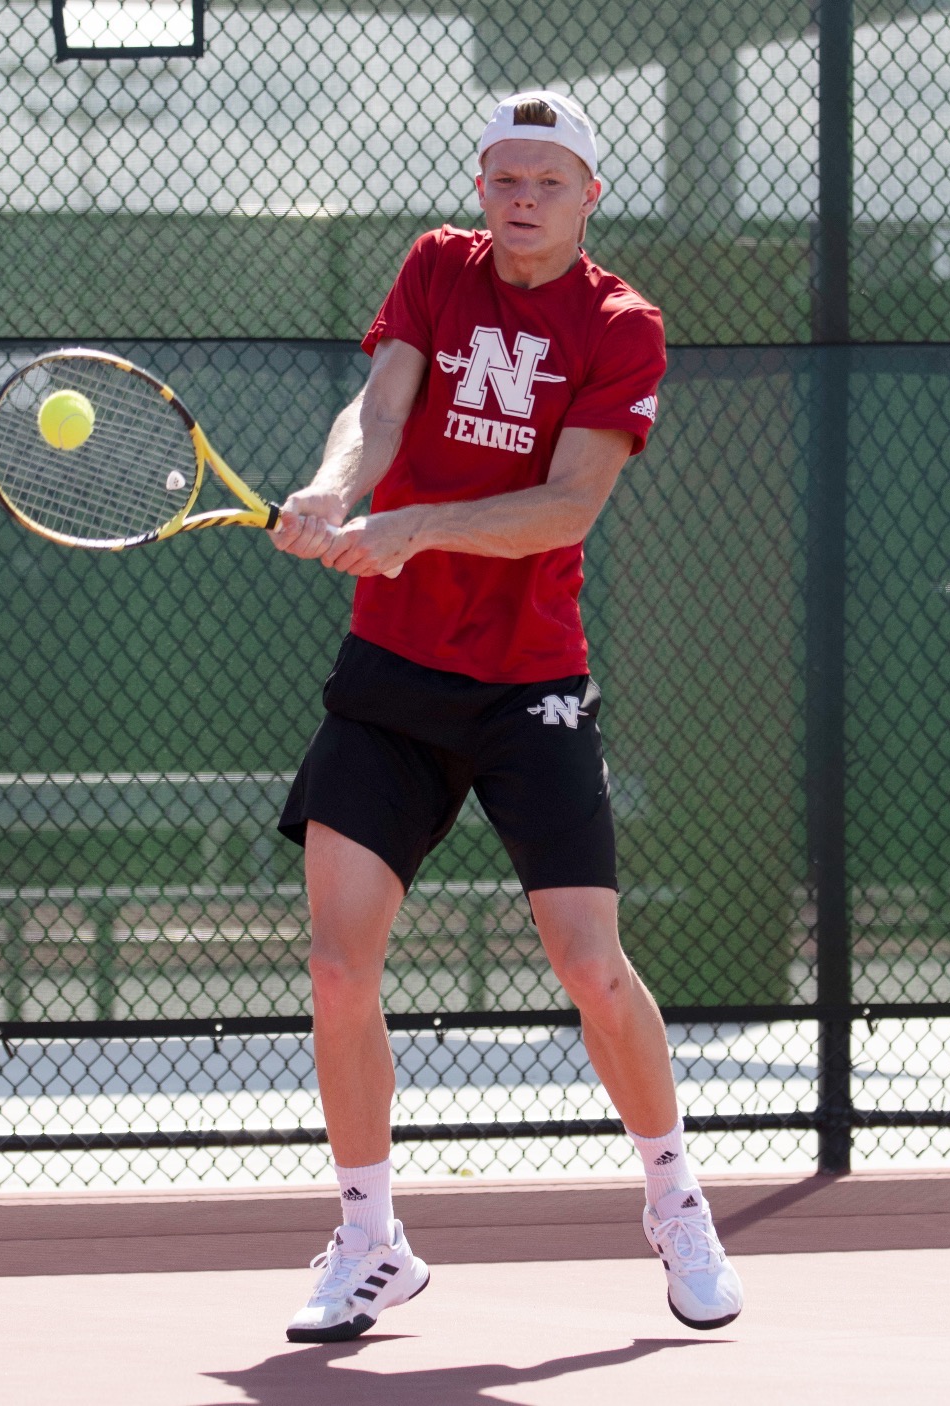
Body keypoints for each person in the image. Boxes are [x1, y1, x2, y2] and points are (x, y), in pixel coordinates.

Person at [266, 90, 743, 1343]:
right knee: (334, 965)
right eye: (501, 177)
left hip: (529, 680)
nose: (519, 196)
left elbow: (568, 504)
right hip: (392, 679)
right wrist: (332, 489)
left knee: (590, 964)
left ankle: (673, 1194)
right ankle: (368, 1237)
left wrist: (410, 528)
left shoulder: (620, 324)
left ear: (590, 195)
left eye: (546, 179)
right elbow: (378, 409)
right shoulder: (435, 267)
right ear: (480, 187)